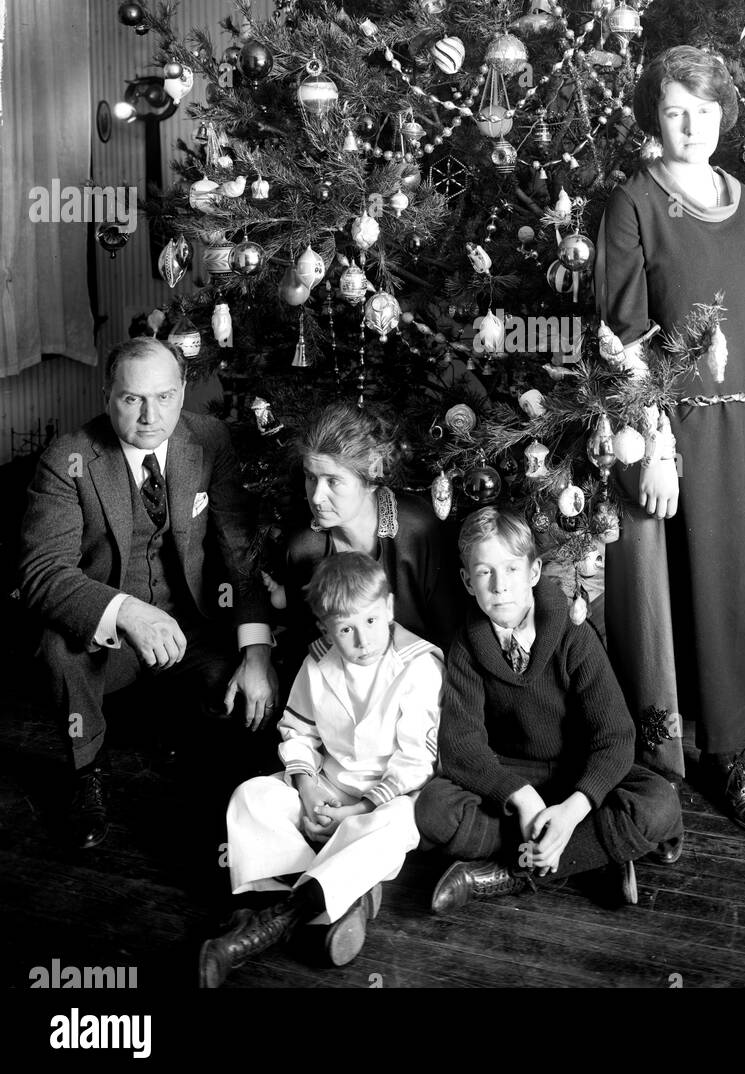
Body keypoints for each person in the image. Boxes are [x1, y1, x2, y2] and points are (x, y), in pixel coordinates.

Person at [595, 46, 745, 835]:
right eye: (676, 111)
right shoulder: (633, 204)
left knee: (744, 584)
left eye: (706, 111)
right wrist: (655, 445)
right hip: (678, 430)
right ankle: (709, 756)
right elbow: (623, 335)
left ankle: (736, 732)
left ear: (724, 115)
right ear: (655, 115)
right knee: (693, 592)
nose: (692, 126)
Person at [19, 337, 275, 849]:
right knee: (59, 646)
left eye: (163, 396)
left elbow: (239, 550)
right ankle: (86, 769)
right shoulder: (68, 457)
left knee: (246, 707)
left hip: (194, 625)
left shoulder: (209, 440)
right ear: (108, 396)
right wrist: (125, 611)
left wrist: (257, 651)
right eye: (133, 399)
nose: (150, 416)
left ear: (182, 391)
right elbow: (41, 572)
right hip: (112, 638)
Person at [415, 508, 682, 913]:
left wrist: (574, 809)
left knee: (659, 804)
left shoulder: (572, 633)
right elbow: (461, 746)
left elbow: (615, 736)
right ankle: (593, 856)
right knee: (432, 808)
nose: (500, 585)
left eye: (511, 569)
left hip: (577, 770)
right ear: (468, 582)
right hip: (514, 775)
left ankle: (500, 874)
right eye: (485, 573)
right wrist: (519, 797)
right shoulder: (466, 646)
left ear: (534, 571)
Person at [198, 552, 443, 986]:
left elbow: (415, 763)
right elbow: (298, 732)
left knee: (400, 824)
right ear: (327, 629)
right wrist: (308, 788)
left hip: (379, 802)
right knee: (251, 797)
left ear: (388, 608)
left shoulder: (419, 665)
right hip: (327, 789)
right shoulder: (319, 662)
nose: (362, 639)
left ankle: (271, 922)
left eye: (370, 621)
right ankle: (339, 897)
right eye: (345, 629)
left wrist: (354, 813)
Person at [267, 403, 460, 672]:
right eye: (311, 478)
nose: (317, 497)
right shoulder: (302, 547)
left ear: (369, 481)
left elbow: (451, 636)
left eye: (333, 481)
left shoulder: (417, 528)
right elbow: (308, 651)